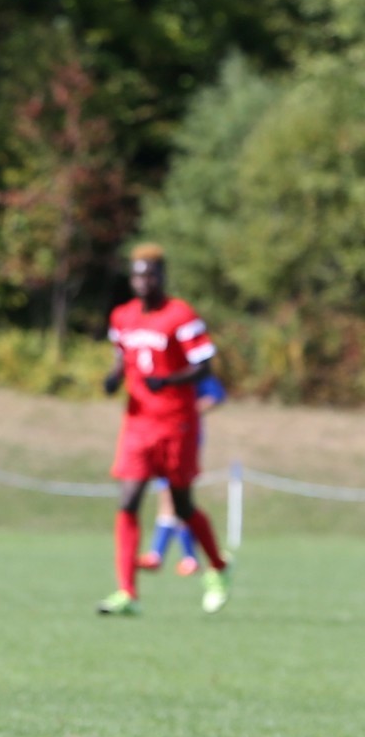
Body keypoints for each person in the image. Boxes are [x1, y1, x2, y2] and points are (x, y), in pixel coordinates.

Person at [98, 244, 230, 617]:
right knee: (128, 500)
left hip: (176, 422)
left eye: (150, 274)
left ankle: (218, 566)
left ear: (161, 276)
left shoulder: (180, 314)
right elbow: (121, 360)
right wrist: (112, 379)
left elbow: (204, 366)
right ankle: (127, 591)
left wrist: (170, 380)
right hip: (138, 423)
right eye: (137, 275)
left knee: (183, 504)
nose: (143, 281)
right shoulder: (122, 316)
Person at [138, 372, 226, 577]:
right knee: (168, 500)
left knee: (175, 498)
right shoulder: (160, 366)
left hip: (184, 439)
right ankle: (172, 556)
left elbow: (216, 395)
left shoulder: (191, 370)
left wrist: (184, 411)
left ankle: (174, 557)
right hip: (160, 437)